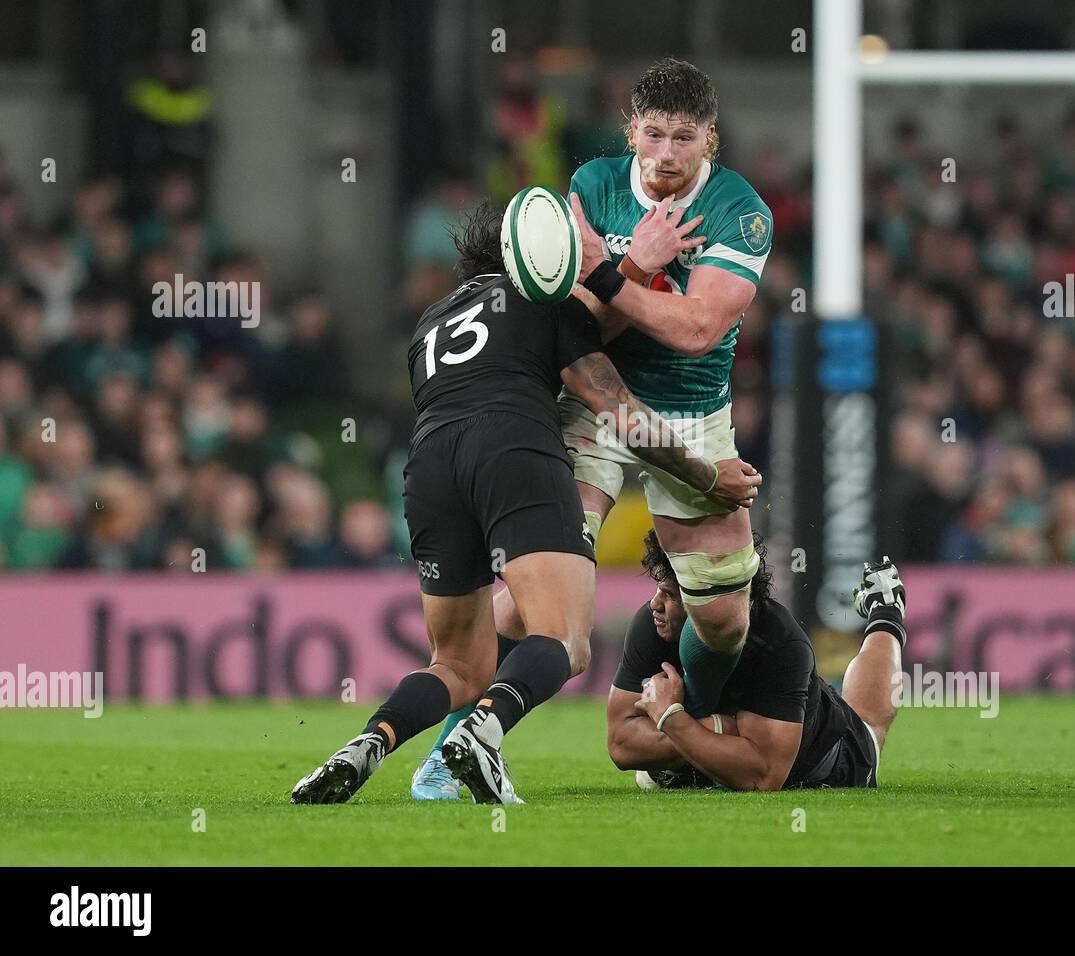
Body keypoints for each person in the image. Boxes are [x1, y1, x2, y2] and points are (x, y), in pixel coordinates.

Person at [291, 201, 760, 806]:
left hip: (429, 465)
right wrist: (702, 475)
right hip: (513, 448)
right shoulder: (545, 304)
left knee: (458, 663)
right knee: (564, 641)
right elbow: (620, 413)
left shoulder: (429, 323)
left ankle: (370, 741)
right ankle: (482, 734)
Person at [491, 57, 776, 736]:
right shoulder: (592, 185)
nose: (666, 153)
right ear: (630, 132)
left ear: (709, 138)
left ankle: (687, 721)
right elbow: (576, 325)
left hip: (690, 410)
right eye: (653, 134)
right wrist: (640, 265)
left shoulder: (741, 210)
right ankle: (457, 743)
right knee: (541, 595)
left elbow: (699, 329)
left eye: (683, 138)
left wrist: (610, 274)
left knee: (723, 619)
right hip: (594, 400)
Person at [606, 532, 907, 791]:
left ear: (705, 600)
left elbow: (762, 776)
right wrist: (719, 730)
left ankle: (887, 611)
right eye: (659, 588)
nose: (655, 604)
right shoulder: (654, 622)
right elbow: (621, 744)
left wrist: (670, 718)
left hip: (827, 758)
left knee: (870, 725)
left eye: (671, 594)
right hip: (711, 758)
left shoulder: (780, 641)